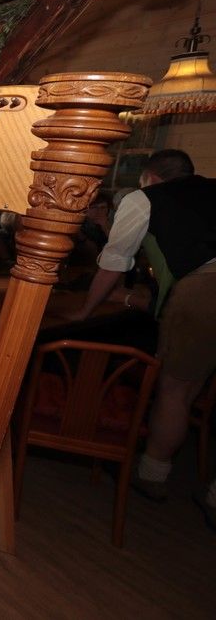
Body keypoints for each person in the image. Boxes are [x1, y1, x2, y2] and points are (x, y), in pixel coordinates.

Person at [68, 149, 216, 530]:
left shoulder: (144, 199)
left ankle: (152, 475)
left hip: (204, 291)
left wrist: (84, 311)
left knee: (176, 391)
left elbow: (114, 262)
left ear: (149, 176)